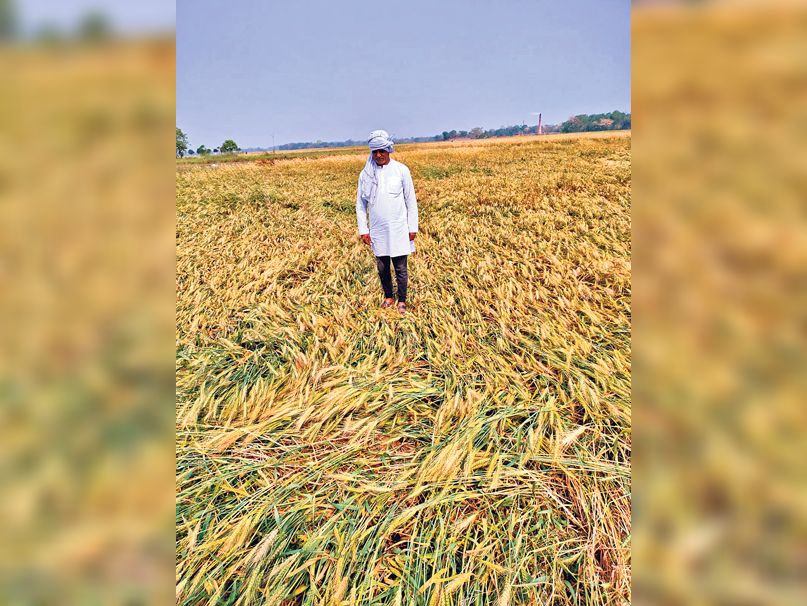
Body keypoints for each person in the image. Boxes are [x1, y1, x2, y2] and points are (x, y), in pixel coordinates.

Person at [356, 130, 418, 313]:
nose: (378, 155)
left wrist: (412, 227)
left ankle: (402, 300)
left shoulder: (401, 170)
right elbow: (360, 204)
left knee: (400, 267)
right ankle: (389, 297)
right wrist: (363, 230)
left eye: (382, 151)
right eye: (375, 152)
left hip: (399, 227)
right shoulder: (366, 175)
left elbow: (410, 201)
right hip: (377, 229)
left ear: (389, 150)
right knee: (382, 267)